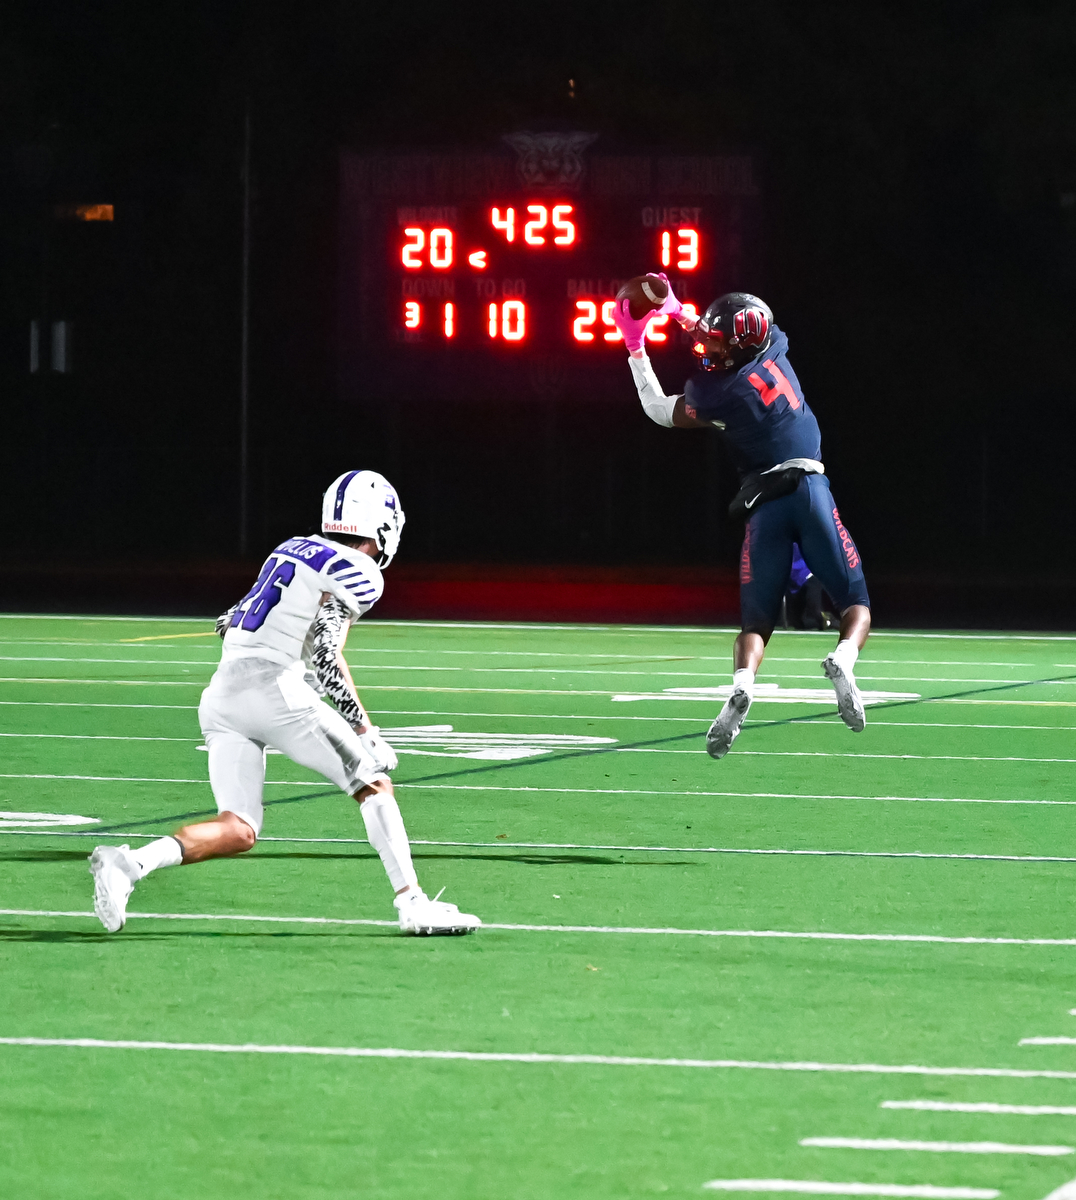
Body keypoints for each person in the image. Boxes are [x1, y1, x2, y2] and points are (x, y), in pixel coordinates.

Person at [88, 470, 481, 935]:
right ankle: (413, 904)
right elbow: (327, 656)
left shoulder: (290, 547)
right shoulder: (359, 571)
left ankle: (129, 865)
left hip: (221, 696)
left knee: (239, 828)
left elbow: (228, 619)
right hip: (273, 691)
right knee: (373, 783)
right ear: (381, 524)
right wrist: (364, 729)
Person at [614, 284, 870, 758]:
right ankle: (842, 660)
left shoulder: (718, 394)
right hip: (811, 491)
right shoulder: (774, 343)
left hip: (765, 504)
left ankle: (743, 684)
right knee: (856, 604)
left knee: (756, 621)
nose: (705, 346)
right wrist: (676, 313)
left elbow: (657, 408)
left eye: (715, 341)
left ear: (734, 346)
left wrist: (634, 343)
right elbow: (733, 340)